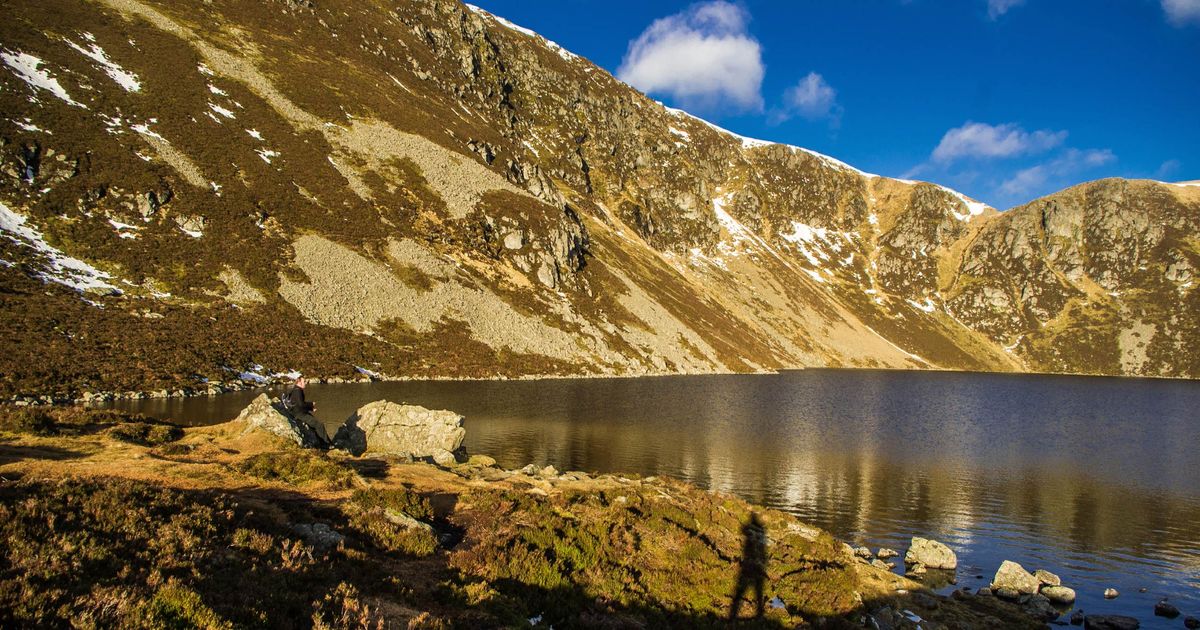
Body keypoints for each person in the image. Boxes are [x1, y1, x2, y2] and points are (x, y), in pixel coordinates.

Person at [284, 377, 330, 445]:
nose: (305, 383)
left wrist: (311, 408)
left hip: (298, 412)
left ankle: (325, 442)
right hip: (299, 414)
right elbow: (301, 404)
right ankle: (327, 444)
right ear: (299, 382)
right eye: (304, 381)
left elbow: (298, 404)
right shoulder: (298, 391)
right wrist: (311, 404)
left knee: (316, 424)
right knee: (319, 425)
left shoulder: (296, 389)